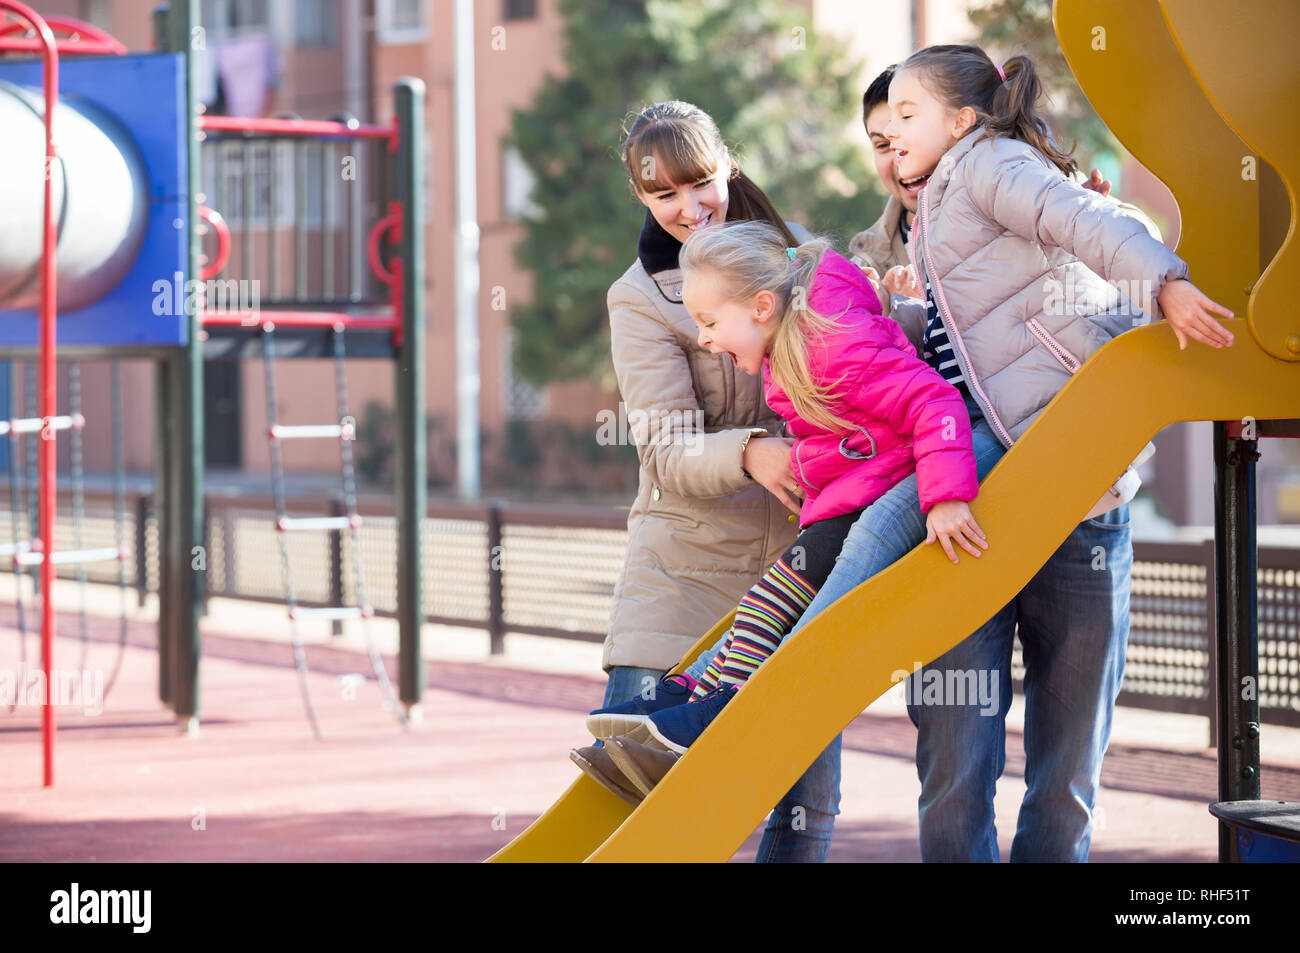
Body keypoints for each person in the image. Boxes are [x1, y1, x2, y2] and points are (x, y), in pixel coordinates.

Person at [605, 45, 1234, 863]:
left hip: (1046, 486)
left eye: (903, 123)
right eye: (877, 136)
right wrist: (785, 447)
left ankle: (747, 688)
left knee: (1065, 772)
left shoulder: (983, 183)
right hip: (935, 492)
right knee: (949, 763)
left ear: (958, 122)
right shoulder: (864, 256)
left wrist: (1160, 277)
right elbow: (857, 397)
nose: (890, 148)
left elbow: (1086, 233)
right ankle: (736, 689)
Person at [587, 221, 982, 757]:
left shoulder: (832, 347)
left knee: (771, 602)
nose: (702, 337)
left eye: (708, 321)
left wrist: (946, 497)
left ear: (762, 308)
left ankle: (727, 701)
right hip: (849, 494)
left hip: (874, 495)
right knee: (760, 604)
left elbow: (932, 402)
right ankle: (697, 690)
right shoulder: (791, 348)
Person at [571, 101, 834, 862]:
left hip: (794, 573)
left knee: (801, 810)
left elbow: (859, 360)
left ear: (729, 164)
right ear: (642, 199)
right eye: (664, 195)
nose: (689, 208)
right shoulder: (641, 296)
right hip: (682, 571)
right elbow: (667, 446)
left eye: (701, 182)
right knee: (646, 813)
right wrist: (754, 451)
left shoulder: (794, 262)